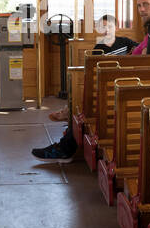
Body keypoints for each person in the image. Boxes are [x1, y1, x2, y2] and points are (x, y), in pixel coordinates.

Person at [32, 14, 139, 162]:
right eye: (104, 27)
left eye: (110, 26)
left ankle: (67, 119)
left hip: (121, 84)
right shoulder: (99, 48)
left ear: (117, 27)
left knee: (84, 110)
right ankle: (68, 114)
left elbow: (139, 49)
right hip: (106, 86)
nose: (107, 30)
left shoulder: (125, 42)